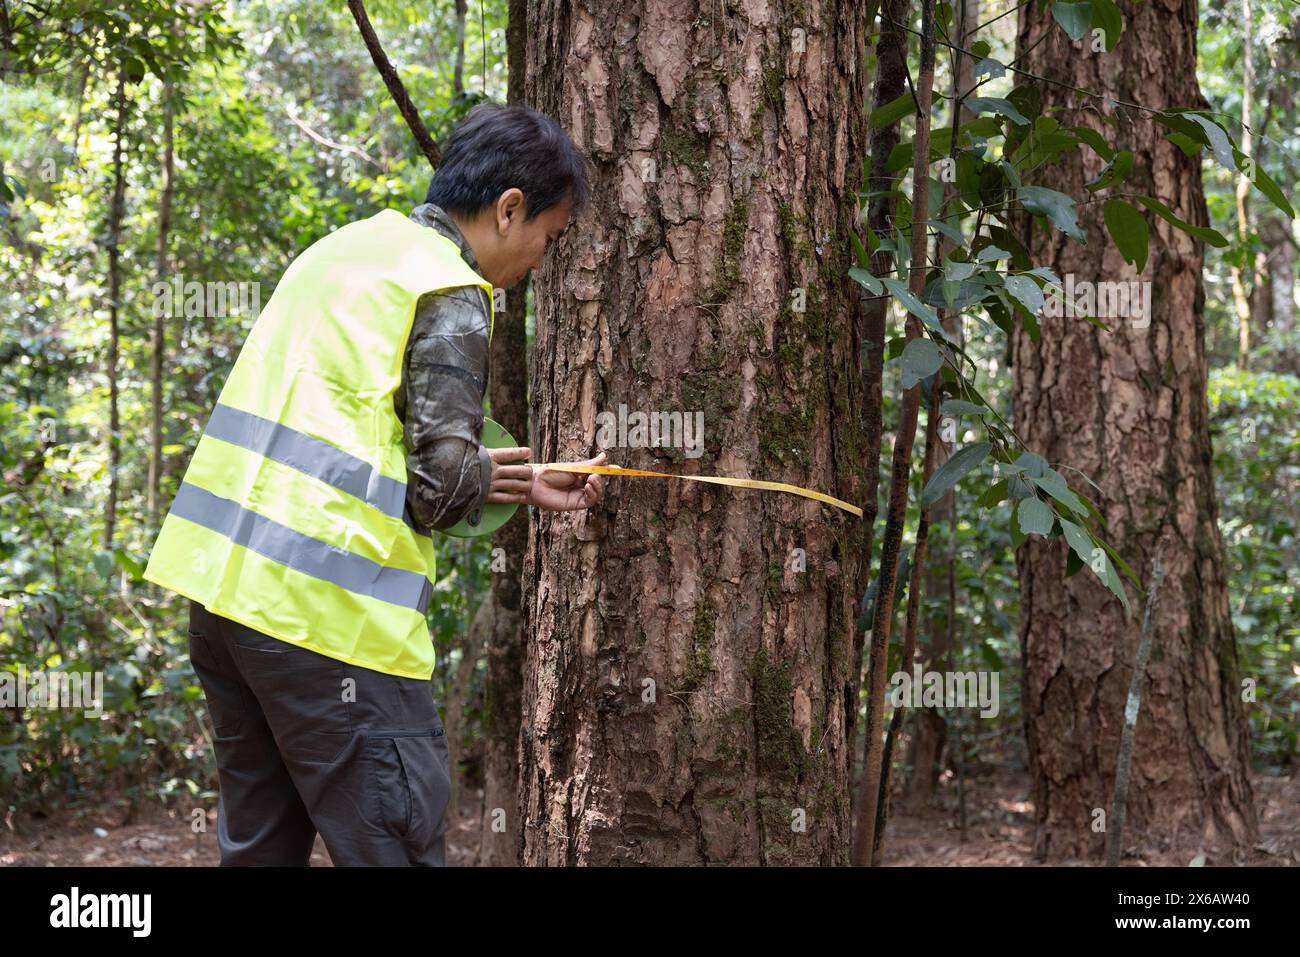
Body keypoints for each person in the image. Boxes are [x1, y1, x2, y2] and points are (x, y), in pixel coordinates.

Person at [143, 103, 606, 866]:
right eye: (546, 238)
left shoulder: (345, 250)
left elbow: (354, 440)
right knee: (397, 841)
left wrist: (510, 481)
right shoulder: (448, 289)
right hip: (330, 622)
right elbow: (442, 486)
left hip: (226, 604)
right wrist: (481, 476)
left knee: (259, 850)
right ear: (509, 209)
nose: (538, 262)